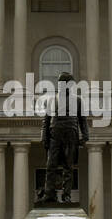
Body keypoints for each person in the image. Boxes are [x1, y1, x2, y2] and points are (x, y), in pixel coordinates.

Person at [36, 72, 88, 204]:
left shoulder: (77, 100)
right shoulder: (51, 100)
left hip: (71, 134)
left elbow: (83, 120)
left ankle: (66, 195)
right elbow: (46, 121)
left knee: (68, 167)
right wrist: (44, 137)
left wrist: (85, 135)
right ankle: (49, 194)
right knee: (50, 165)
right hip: (55, 135)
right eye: (61, 83)